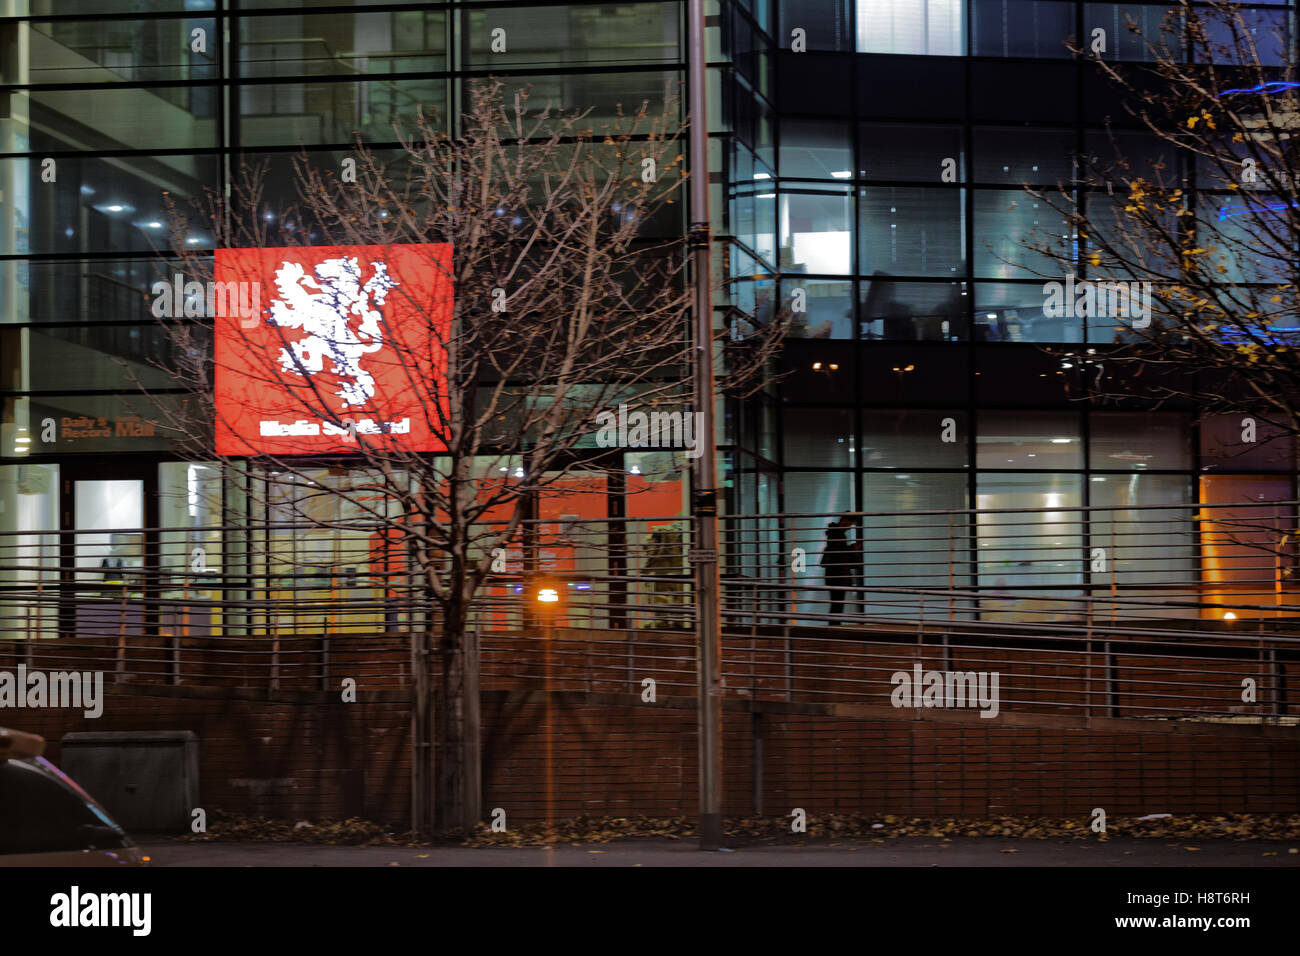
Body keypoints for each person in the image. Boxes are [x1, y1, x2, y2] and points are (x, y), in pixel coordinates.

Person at [821, 514, 862, 619]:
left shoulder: (835, 534)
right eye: (849, 524)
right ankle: (834, 628)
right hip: (837, 576)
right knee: (837, 606)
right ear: (844, 520)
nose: (849, 527)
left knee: (836, 605)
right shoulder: (837, 534)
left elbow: (838, 553)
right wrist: (853, 549)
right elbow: (839, 555)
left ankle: (834, 627)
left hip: (835, 575)